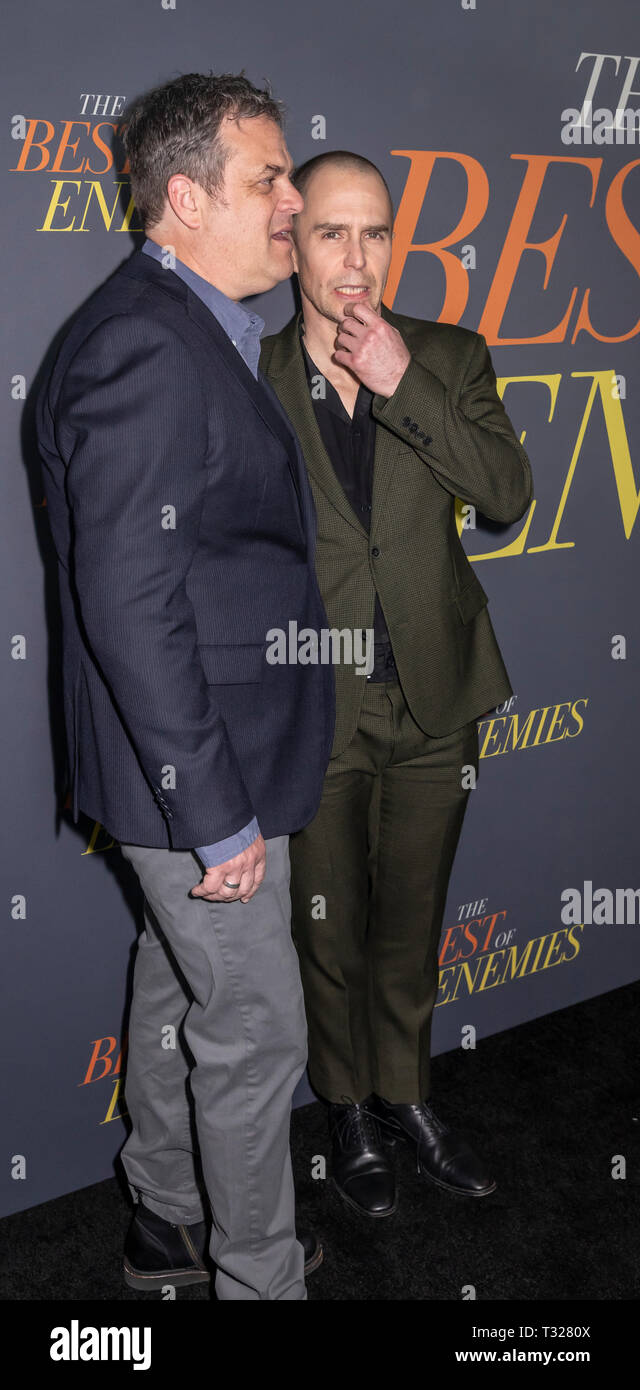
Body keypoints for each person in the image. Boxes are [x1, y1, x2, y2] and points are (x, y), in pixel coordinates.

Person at [36, 73, 335, 1301]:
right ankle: (258, 1280)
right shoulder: (144, 348)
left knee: (177, 987)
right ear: (182, 198)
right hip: (187, 774)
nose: (294, 201)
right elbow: (130, 603)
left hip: (202, 762)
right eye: (268, 179)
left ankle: (164, 1218)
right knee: (256, 1031)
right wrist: (209, 809)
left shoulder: (188, 324)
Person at [260, 150, 533, 1218]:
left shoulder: (450, 356)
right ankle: (345, 1111)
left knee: (408, 922)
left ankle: (406, 1096)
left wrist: (399, 384)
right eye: (332, 232)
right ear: (292, 244)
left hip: (433, 697)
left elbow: (507, 493)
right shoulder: (250, 374)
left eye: (375, 232)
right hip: (313, 703)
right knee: (324, 931)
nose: (356, 257)